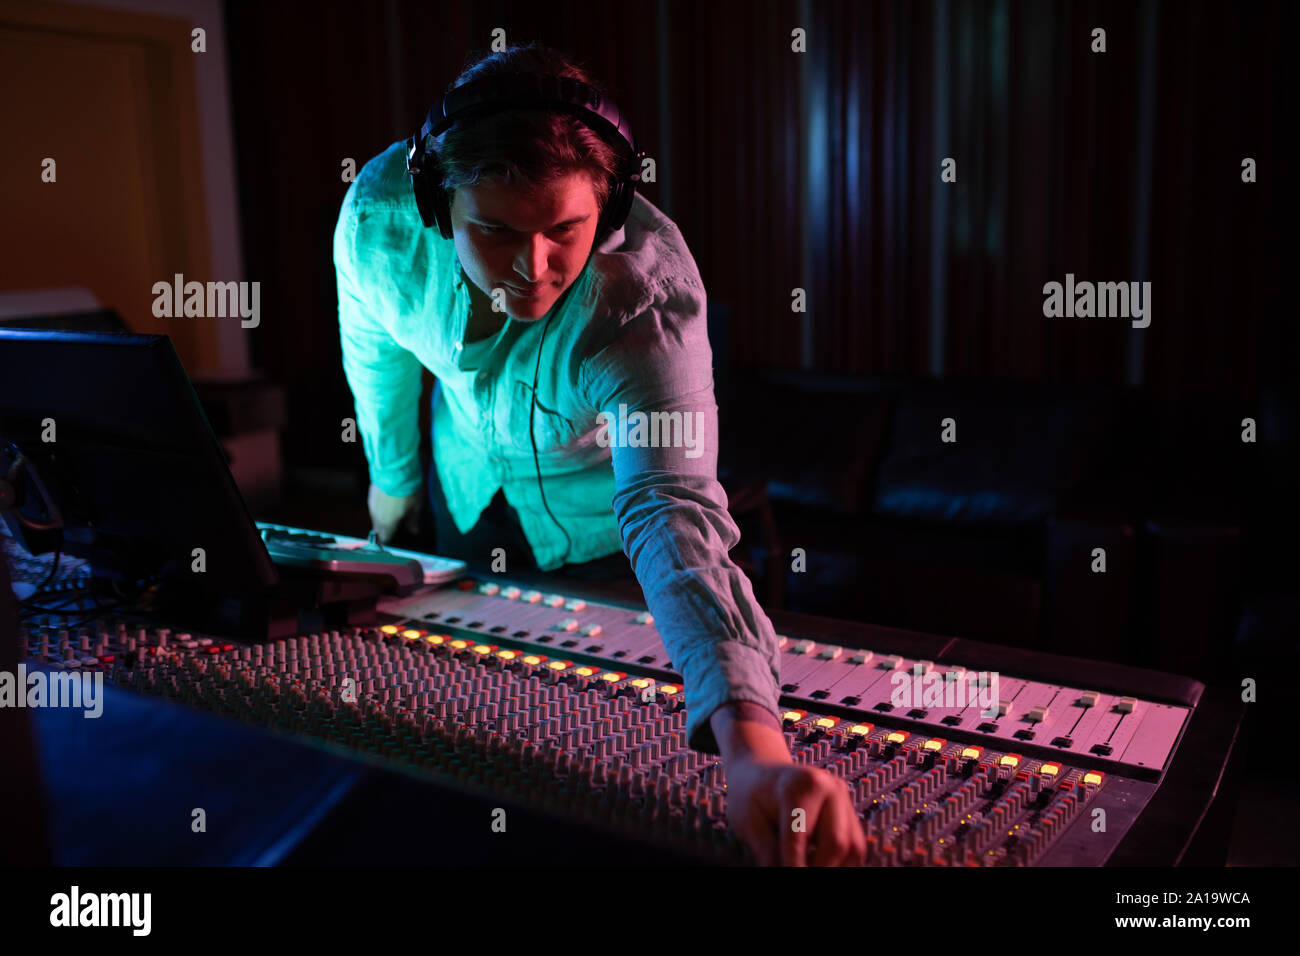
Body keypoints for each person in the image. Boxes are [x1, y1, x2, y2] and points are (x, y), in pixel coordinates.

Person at [334, 42, 864, 866]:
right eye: (497, 231)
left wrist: (756, 755)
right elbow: (376, 348)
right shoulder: (380, 221)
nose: (535, 270)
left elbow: (671, 511)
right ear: (439, 208)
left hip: (605, 534)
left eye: (564, 230)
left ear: (608, 212)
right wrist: (392, 482)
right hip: (464, 490)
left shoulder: (643, 306)